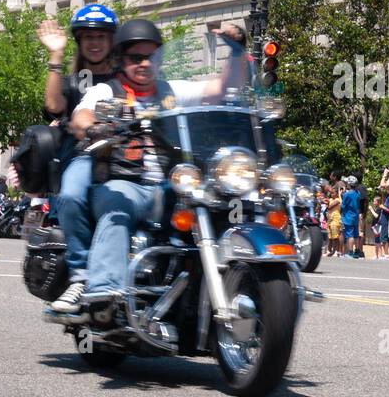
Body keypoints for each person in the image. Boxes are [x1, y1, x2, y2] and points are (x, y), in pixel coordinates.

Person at [55, 18, 248, 314]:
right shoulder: (107, 92)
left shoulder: (171, 90)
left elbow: (222, 89)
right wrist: (94, 128)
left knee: (221, 205)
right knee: (116, 202)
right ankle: (103, 291)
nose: (145, 63)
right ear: (122, 60)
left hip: (175, 184)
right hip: (128, 181)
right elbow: (82, 115)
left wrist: (236, 54)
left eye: (152, 56)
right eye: (136, 58)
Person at [39, 4, 119, 312]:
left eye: (101, 36)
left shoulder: (125, 77)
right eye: (88, 37)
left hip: (128, 158)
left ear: (112, 40)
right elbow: (54, 106)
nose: (95, 43)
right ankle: (80, 276)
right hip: (85, 158)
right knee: (71, 196)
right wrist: (55, 56)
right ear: (80, 41)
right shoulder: (76, 82)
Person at [341, 176, 363, 259]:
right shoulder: (358, 193)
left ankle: (350, 252)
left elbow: (343, 206)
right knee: (356, 235)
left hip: (348, 217)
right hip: (355, 216)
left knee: (349, 235)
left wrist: (342, 195)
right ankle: (356, 251)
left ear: (349, 184)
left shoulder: (347, 194)